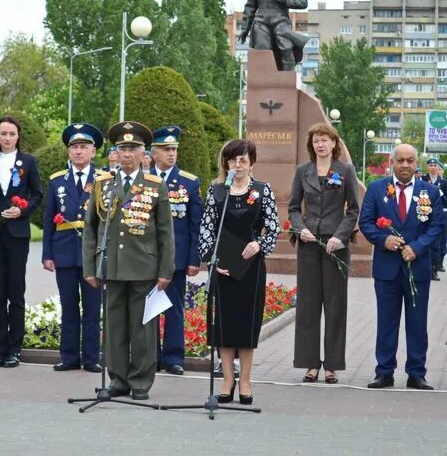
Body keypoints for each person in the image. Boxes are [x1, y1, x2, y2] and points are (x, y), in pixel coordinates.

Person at [82, 121, 174, 401]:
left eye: (133, 149)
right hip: (111, 265)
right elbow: (91, 229)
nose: (127, 155)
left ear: (144, 153)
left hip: (144, 267)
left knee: (142, 329)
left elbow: (165, 232)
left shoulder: (155, 186)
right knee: (114, 328)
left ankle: (141, 382)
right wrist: (90, 266)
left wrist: (165, 269)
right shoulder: (103, 185)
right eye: (122, 148)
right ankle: (118, 379)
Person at [199, 139, 279, 405]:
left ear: (252, 163)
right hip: (222, 267)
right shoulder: (217, 190)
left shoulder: (262, 189)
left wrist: (259, 244)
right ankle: (226, 380)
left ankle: (245, 380)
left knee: (246, 325)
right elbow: (207, 228)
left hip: (250, 267)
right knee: (224, 325)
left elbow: (274, 226)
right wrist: (212, 258)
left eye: (243, 160)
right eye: (233, 160)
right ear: (226, 163)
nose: (238, 165)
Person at [359, 143, 443, 390]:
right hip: (387, 269)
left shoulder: (431, 192)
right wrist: (384, 240)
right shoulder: (376, 189)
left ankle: (416, 373)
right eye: (400, 160)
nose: (405, 165)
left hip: (417, 269)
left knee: (417, 323)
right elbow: (366, 222)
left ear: (417, 163)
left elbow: (437, 226)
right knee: (386, 322)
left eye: (410, 160)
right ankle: (384, 372)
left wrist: (416, 248)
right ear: (392, 163)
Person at [288, 123, 360, 385]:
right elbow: (294, 208)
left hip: (336, 248)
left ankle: (331, 366)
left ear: (334, 144)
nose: (320, 145)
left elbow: (353, 210)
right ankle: (310, 364)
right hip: (308, 246)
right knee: (307, 306)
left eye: (325, 140)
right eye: (316, 140)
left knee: (335, 305)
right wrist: (300, 228)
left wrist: (340, 237)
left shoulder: (345, 171)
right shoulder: (302, 172)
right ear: (312, 145)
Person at [0, 115, 43, 368]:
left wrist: (23, 211)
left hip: (17, 234)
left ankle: (15, 347)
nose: (7, 138)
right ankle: (0, 346)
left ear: (18, 136)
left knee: (15, 292)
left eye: (12, 134)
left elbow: (37, 194)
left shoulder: (28, 162)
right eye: (3, 133)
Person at [42, 123, 103, 373]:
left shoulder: (103, 179)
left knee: (91, 308)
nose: (79, 152)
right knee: (68, 307)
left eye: (84, 147)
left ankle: (91, 358)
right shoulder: (57, 181)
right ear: (68, 152)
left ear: (93, 152)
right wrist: (47, 253)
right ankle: (68, 357)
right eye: (74, 147)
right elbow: (48, 220)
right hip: (65, 251)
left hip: (92, 253)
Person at [150, 126, 202, 376]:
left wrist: (194, 258)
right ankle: (149, 356)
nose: (171, 154)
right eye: (166, 149)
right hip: (145, 257)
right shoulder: (141, 178)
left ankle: (173, 358)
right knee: (146, 308)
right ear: (153, 152)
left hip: (176, 257)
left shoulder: (188, 183)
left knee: (174, 308)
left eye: (174, 149)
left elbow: (195, 225)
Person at [424, 157, 447, 281]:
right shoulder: (422, 180)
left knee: (438, 243)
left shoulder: (444, 183)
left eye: (435, 165)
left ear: (438, 168)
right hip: (424, 214)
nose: (433, 167)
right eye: (430, 165)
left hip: (439, 216)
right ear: (427, 167)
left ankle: (434, 270)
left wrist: (441, 193)